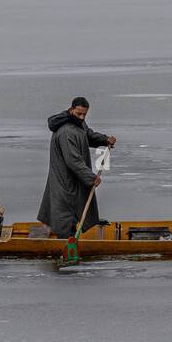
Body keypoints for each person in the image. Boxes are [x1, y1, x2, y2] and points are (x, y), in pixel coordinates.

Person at [38, 96, 117, 238]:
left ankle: (70, 238)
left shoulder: (79, 124)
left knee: (72, 211)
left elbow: (88, 135)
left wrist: (105, 139)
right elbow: (73, 160)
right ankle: (66, 245)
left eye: (84, 114)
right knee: (66, 213)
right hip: (65, 181)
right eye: (78, 113)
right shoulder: (66, 131)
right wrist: (91, 177)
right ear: (71, 110)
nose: (81, 117)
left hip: (74, 179)